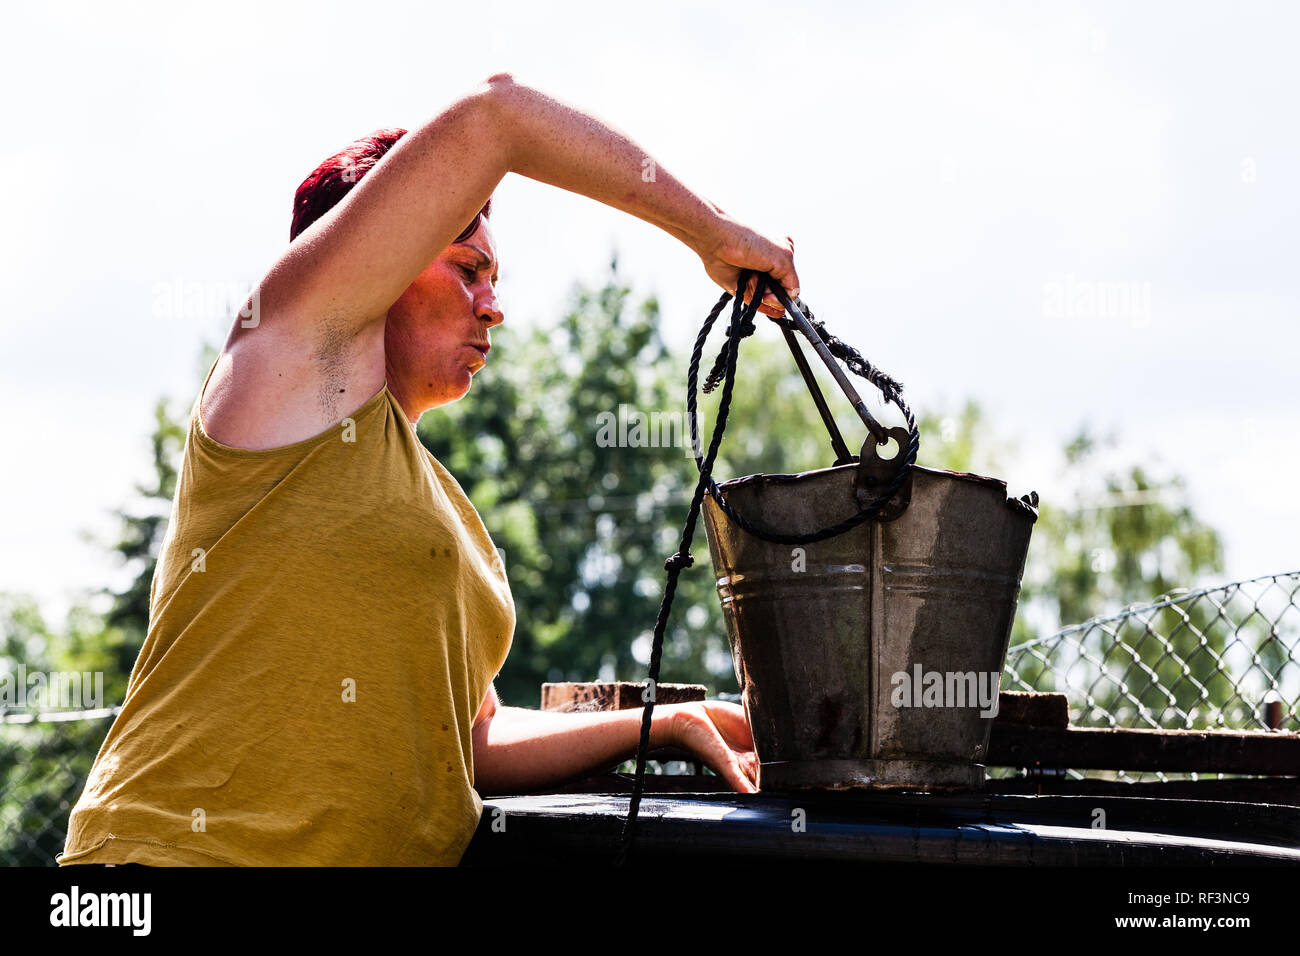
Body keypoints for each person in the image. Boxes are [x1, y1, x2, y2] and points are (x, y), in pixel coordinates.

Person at [58, 73, 801, 867]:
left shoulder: (432, 503)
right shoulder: (292, 355)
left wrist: (667, 722)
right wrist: (711, 230)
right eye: (466, 268)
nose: (494, 306)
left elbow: (467, 740)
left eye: (496, 280)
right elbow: (502, 116)